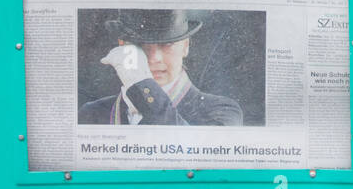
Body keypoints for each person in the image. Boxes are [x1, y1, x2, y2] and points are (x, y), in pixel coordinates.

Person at [78, 9, 243, 126]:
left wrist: (142, 87)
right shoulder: (91, 113)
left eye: (167, 44)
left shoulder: (222, 111)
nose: (154, 58)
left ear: (185, 46)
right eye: (140, 45)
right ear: (122, 46)